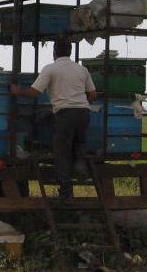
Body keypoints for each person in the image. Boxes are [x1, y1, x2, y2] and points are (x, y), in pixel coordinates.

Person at [10, 36, 97, 198]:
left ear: (54, 52)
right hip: (83, 113)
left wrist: (18, 91)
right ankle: (80, 164)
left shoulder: (50, 69)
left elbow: (34, 92)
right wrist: (78, 101)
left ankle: (66, 193)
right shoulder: (81, 69)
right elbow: (92, 94)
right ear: (70, 51)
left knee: (62, 152)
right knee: (79, 143)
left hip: (65, 114)